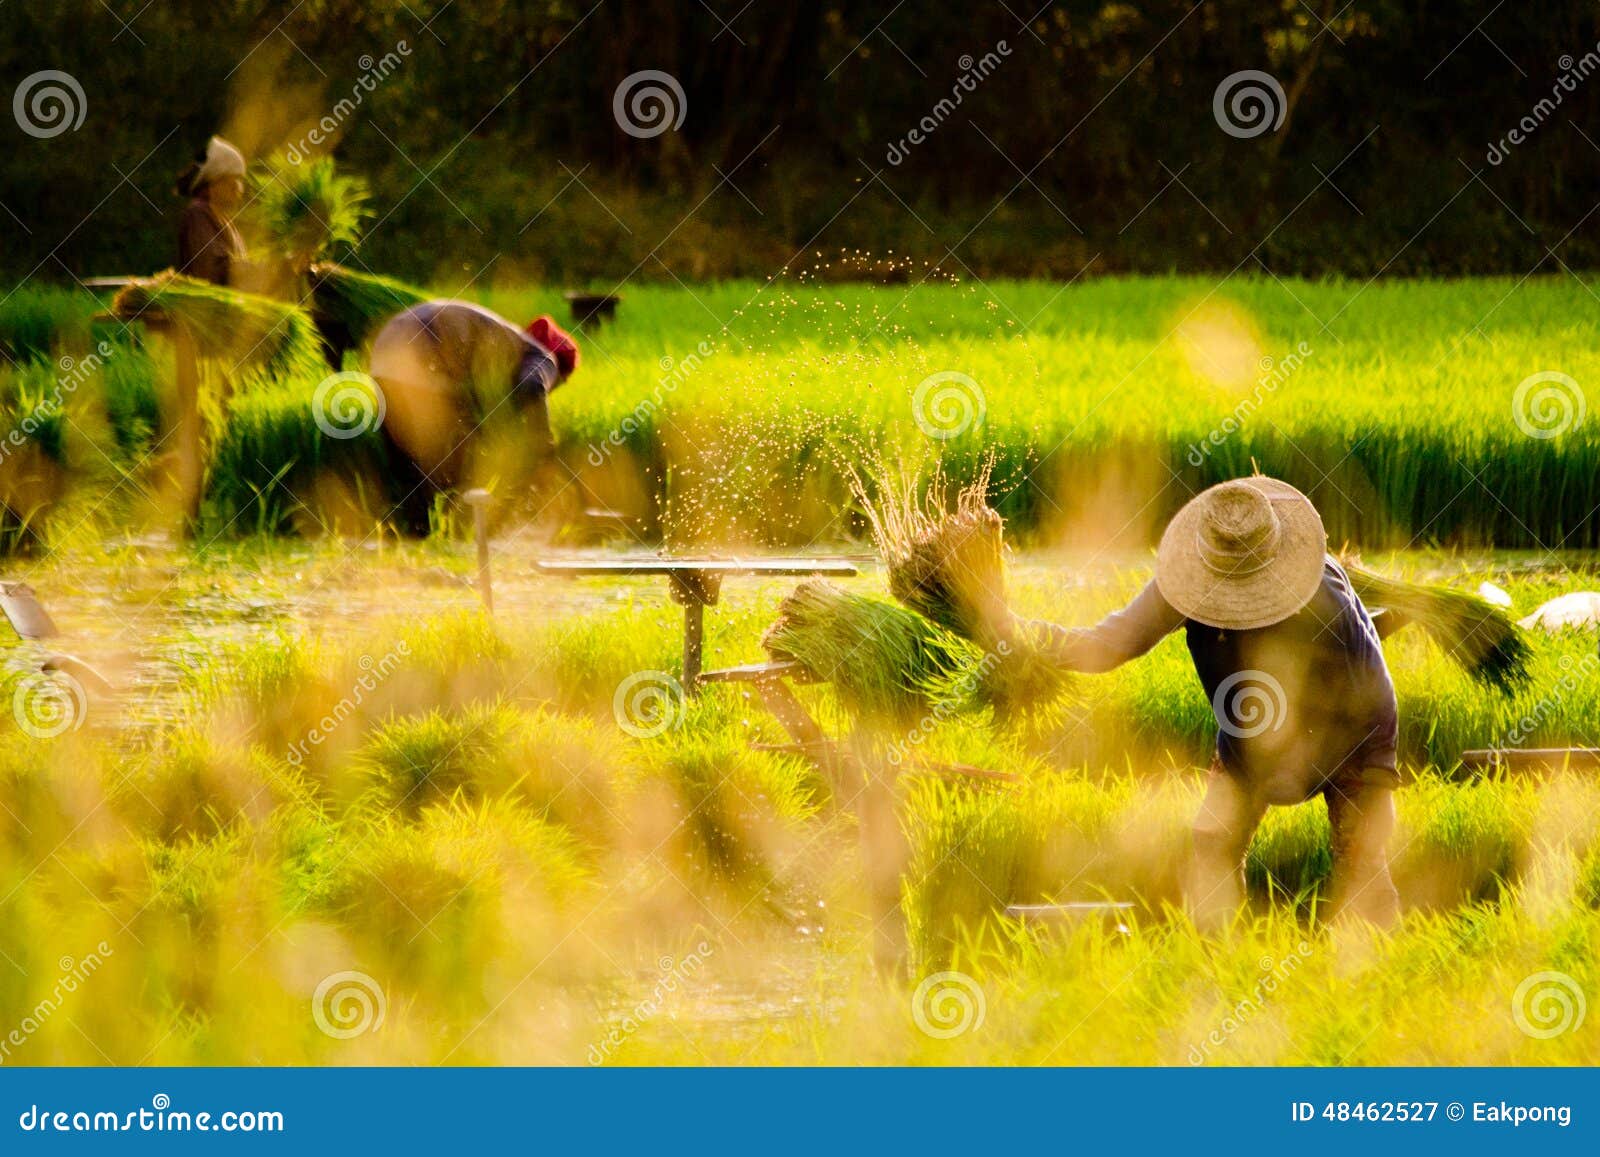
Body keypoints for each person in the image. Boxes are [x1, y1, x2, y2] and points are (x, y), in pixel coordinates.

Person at [1026, 476, 1403, 929]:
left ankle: (1377, 959)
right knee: (1211, 846)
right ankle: (1218, 962)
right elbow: (1111, 643)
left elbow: (1375, 686)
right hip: (1247, 746)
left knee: (1360, 857)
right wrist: (1027, 641)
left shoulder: (1323, 596)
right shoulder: (1185, 586)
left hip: (1346, 744)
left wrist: (1380, 775)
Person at [366, 300, 581, 534]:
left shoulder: (500, 346)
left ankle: (407, 541)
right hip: (424, 349)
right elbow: (531, 387)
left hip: (385, 352)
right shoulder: (543, 356)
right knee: (447, 463)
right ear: (561, 371)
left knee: (407, 466)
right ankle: (444, 538)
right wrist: (544, 447)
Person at [176, 136, 248, 287]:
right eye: (232, 179)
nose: (238, 188)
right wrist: (276, 268)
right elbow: (217, 270)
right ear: (213, 183)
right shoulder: (197, 215)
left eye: (240, 180)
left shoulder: (225, 220)